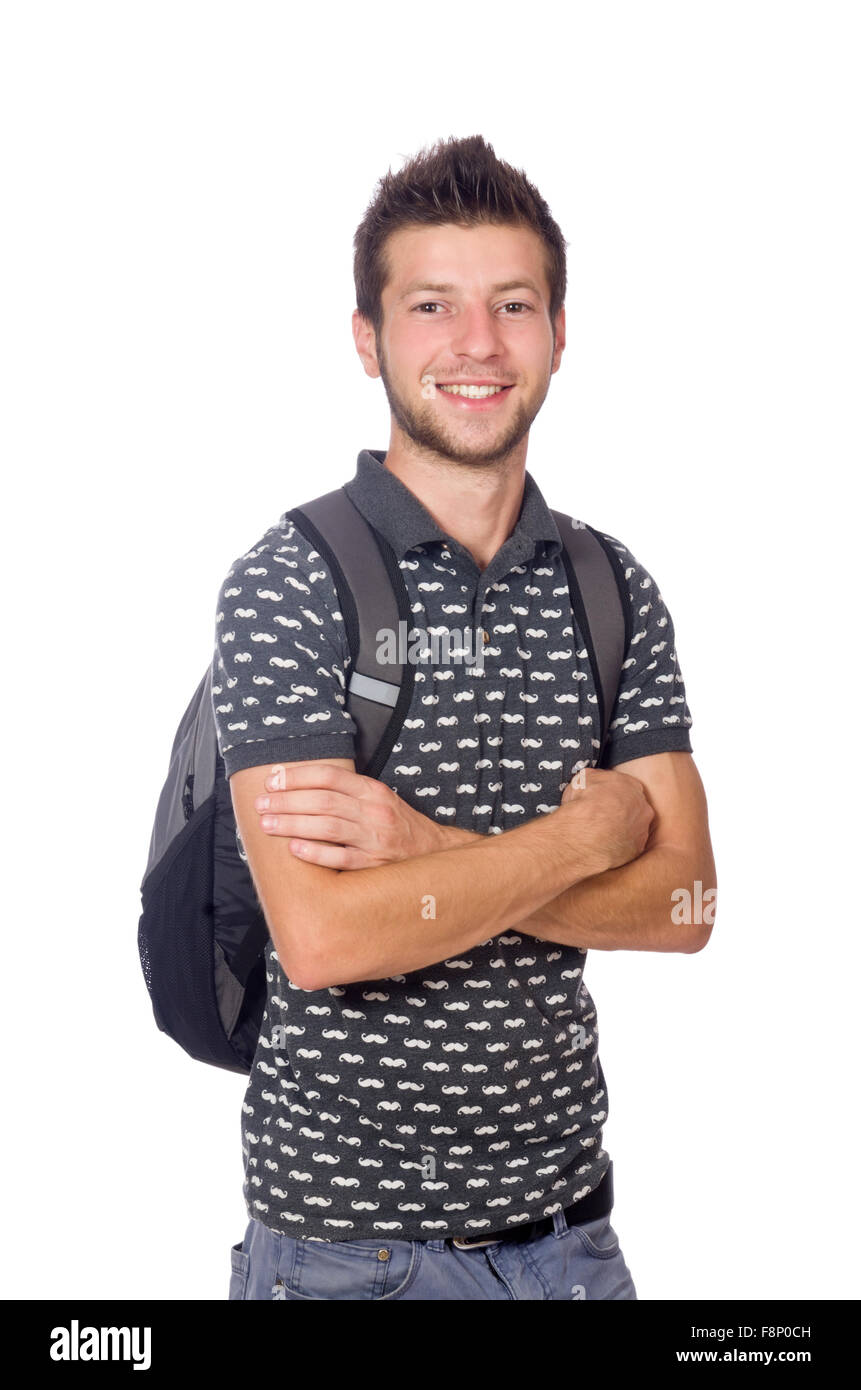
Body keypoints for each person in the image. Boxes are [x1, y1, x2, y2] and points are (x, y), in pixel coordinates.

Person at [212, 134, 716, 1301]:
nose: (478, 344)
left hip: (572, 1241)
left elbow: (689, 904)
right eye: (432, 304)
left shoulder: (613, 586)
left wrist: (429, 849)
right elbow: (326, 940)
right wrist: (585, 843)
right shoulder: (293, 578)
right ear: (368, 338)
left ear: (559, 334)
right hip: (350, 1255)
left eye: (514, 305)